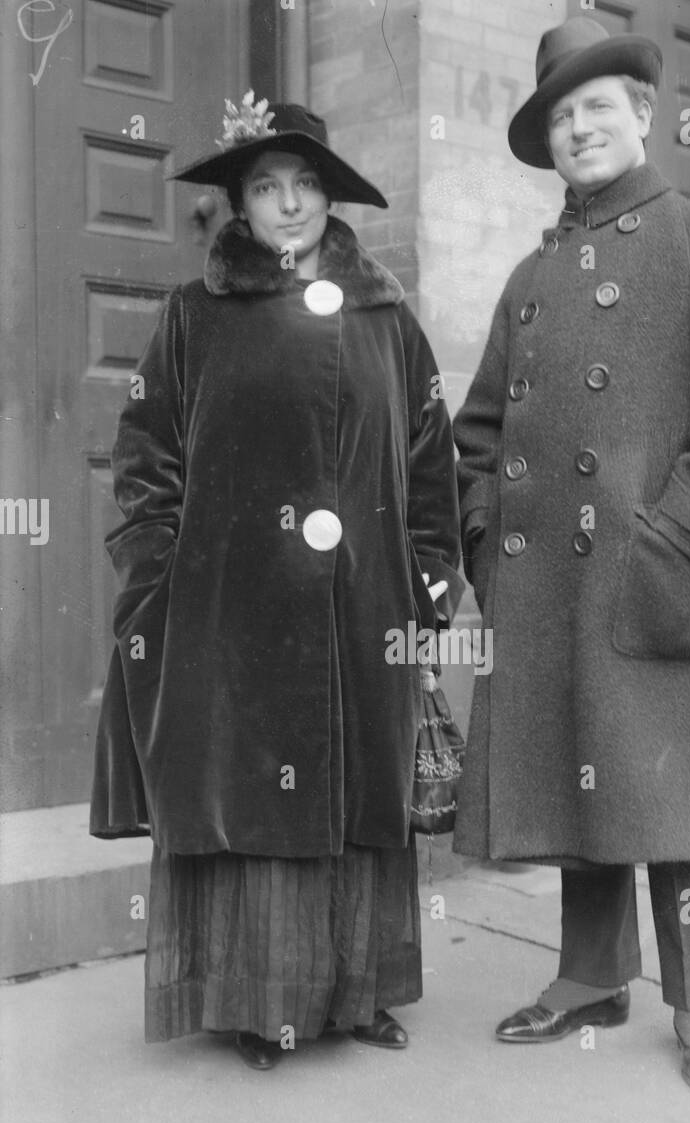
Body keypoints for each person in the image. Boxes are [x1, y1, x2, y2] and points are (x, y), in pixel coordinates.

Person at [453, 18, 690, 1092]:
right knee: (578, 780)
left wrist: (673, 549)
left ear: (641, 114)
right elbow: (474, 436)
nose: (578, 130)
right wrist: (488, 554)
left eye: (595, 106)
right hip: (550, 588)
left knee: (679, 804)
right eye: (559, 117)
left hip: (661, 577)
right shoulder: (528, 276)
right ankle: (588, 977)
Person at [90, 95, 463, 1070]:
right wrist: (159, 574)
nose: (288, 203)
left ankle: (362, 991)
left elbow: (429, 462)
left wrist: (426, 587)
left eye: (305, 184)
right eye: (266, 186)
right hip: (233, 608)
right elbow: (146, 458)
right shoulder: (193, 315)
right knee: (248, 802)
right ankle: (256, 1005)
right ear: (239, 203)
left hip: (360, 607)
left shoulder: (387, 318)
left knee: (356, 800)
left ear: (329, 196)